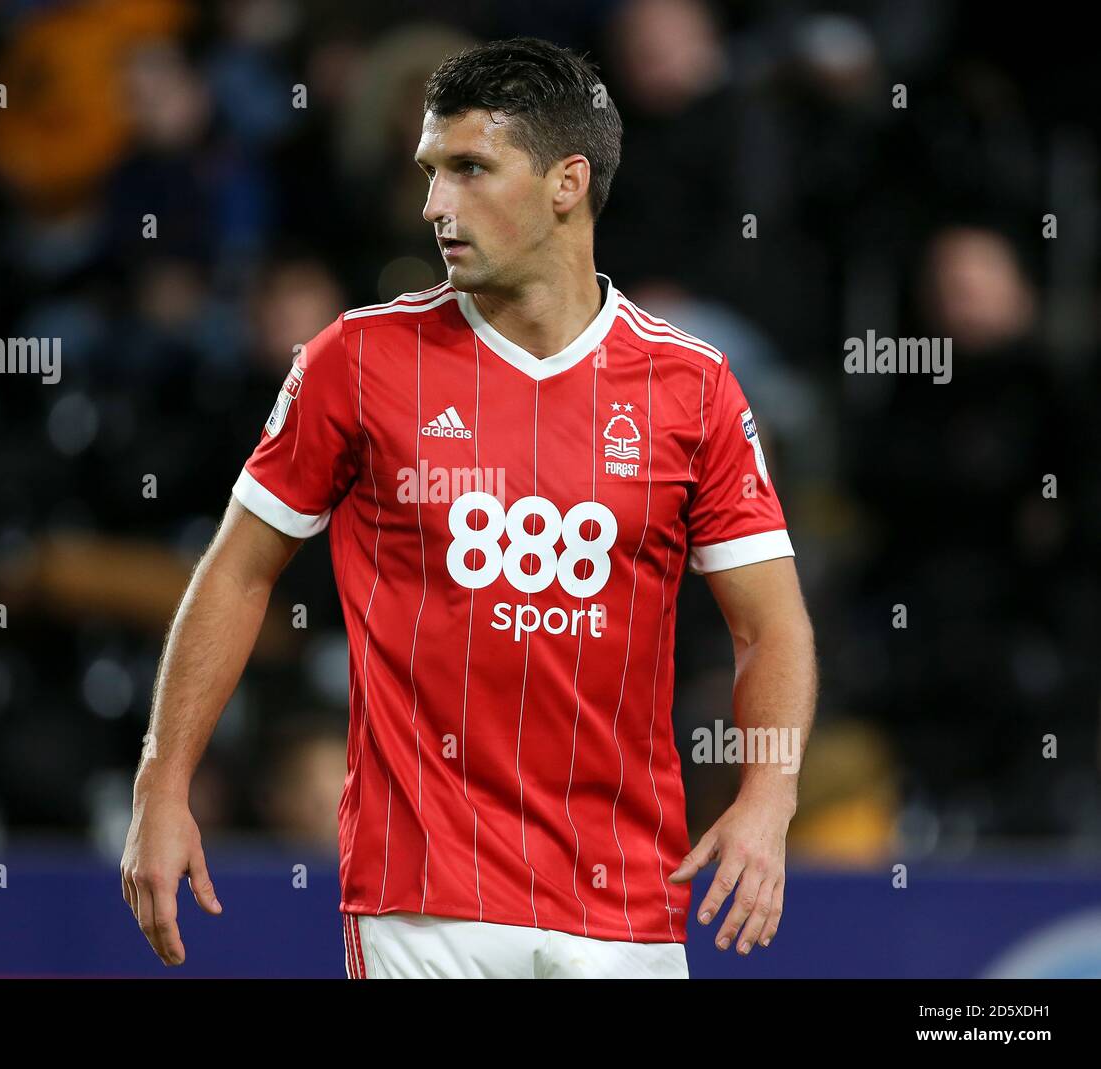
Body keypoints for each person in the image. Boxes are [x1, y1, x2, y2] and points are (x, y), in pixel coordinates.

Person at [121, 36, 817, 979]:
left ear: (567, 182)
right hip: (422, 895)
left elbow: (769, 626)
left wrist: (768, 798)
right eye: (429, 171)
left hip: (624, 901)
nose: (434, 205)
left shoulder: (693, 388)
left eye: (469, 169)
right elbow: (238, 571)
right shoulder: (356, 362)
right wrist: (162, 783)